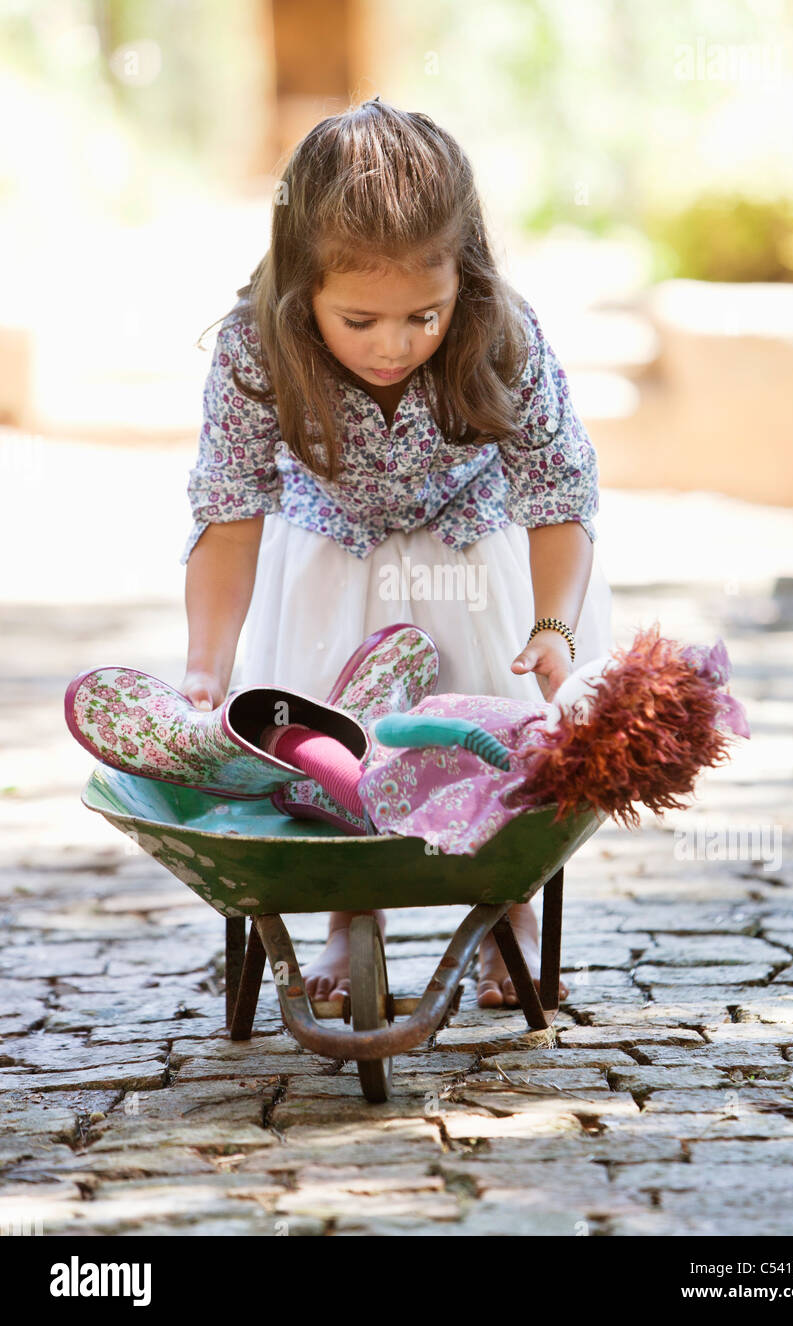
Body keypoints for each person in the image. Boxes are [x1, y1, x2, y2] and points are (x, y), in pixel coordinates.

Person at [178, 98, 612, 1009]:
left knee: (486, 735)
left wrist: (550, 626)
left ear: (467, 275)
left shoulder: (501, 334)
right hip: (330, 546)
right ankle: (349, 915)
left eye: (424, 314)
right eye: (360, 320)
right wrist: (206, 668)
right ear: (305, 291)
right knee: (337, 740)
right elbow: (229, 512)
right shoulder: (256, 348)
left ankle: (509, 910)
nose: (395, 345)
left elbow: (559, 492)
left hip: (472, 547)